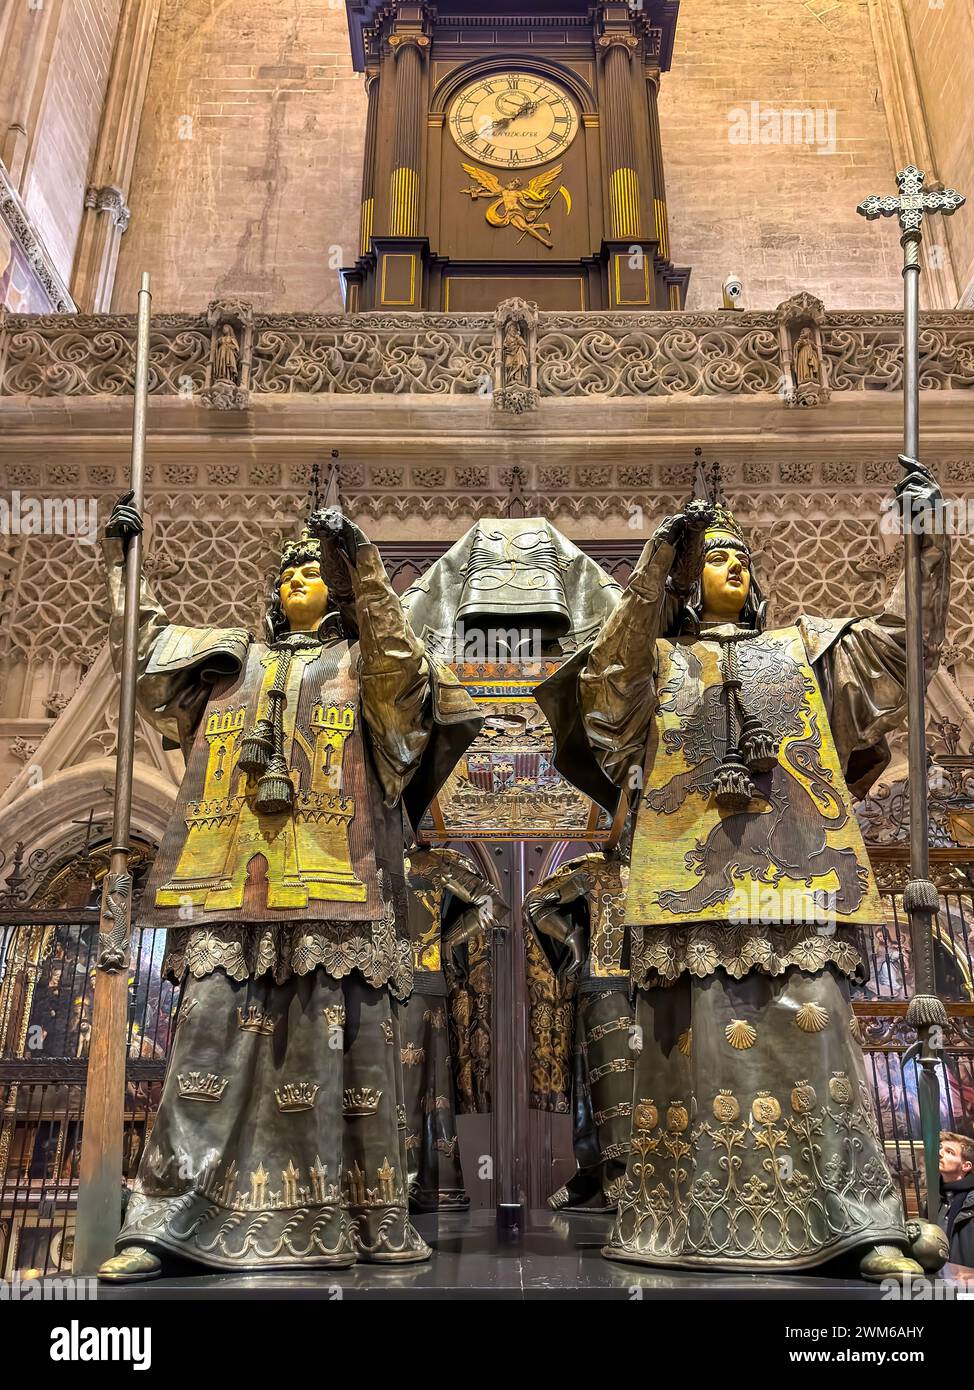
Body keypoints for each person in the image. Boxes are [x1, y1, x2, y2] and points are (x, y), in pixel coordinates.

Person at [536, 461, 951, 1279]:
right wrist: (659, 561)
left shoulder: (805, 651)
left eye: (740, 555)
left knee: (817, 1041)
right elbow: (604, 697)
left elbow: (905, 652)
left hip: (797, 884)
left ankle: (850, 1219)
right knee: (701, 1056)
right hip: (689, 894)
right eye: (713, 556)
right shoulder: (654, 661)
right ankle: (696, 1218)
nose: (731, 564)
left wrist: (925, 540)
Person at [97, 493, 480, 1279]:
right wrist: (123, 569)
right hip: (229, 879)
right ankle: (167, 1216)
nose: (302, 580)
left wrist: (364, 565)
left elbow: (410, 696)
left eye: (317, 572)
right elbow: (142, 658)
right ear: (271, 591)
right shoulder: (230, 661)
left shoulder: (363, 665)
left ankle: (350, 1212)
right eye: (291, 571)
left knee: (332, 1049)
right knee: (207, 1037)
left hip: (340, 886)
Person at [523, 843, 634, 1211]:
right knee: (605, 1087)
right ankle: (613, 1180)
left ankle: (623, 1179)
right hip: (603, 984)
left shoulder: (651, 866)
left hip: (643, 981)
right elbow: (536, 905)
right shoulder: (592, 871)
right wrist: (574, 940)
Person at [401, 845, 505, 1211]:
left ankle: (419, 1183)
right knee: (410, 1085)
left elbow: (493, 904)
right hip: (388, 980)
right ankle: (403, 1182)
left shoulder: (433, 865)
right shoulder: (374, 857)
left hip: (422, 982)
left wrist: (449, 939)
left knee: (424, 1085)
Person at [939, 1131, 974, 1267]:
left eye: (949, 1152)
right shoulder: (931, 1199)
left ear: (966, 1166)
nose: (940, 1152)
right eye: (940, 1148)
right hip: (939, 1278)